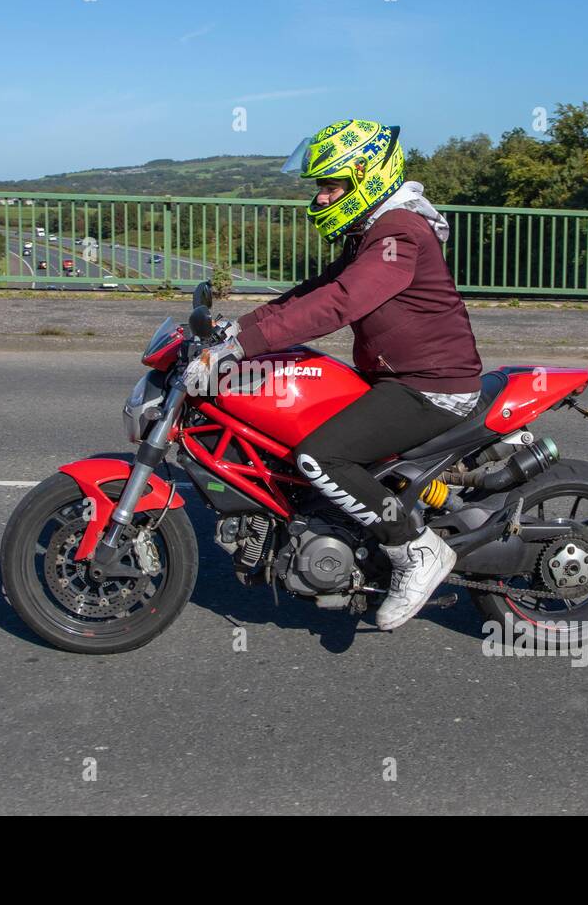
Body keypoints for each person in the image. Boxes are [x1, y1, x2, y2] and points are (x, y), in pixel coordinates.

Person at [185, 119, 484, 630]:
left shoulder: (400, 232)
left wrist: (243, 345)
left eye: (331, 185)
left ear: (367, 174)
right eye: (320, 187)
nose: (321, 199)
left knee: (322, 457)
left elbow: (343, 302)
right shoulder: (372, 229)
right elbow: (315, 291)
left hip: (431, 386)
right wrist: (236, 329)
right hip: (393, 377)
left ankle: (417, 549)